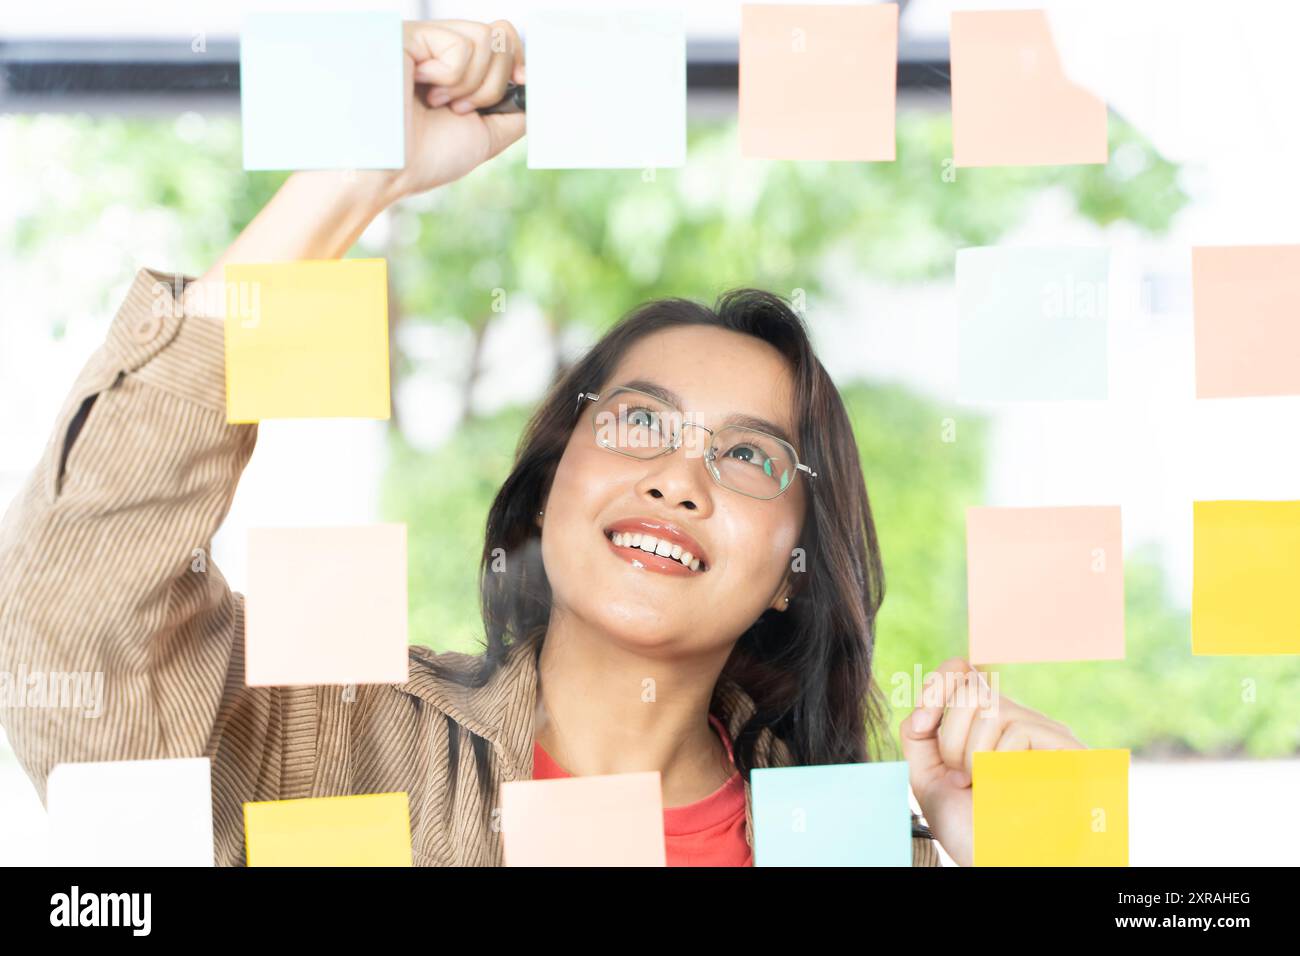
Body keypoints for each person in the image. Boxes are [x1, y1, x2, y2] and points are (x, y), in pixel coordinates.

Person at [0, 19, 1084, 867]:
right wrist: (352, 178)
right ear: (548, 491)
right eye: (638, 422)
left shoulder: (847, 841)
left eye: (748, 455)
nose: (677, 476)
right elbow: (76, 626)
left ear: (795, 571)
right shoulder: (338, 749)